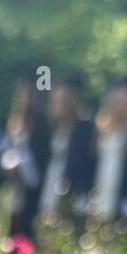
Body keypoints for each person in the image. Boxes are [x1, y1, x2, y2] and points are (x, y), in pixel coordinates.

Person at [83, 76, 127, 240]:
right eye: (117, 102)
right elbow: (86, 165)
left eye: (125, 103)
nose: (120, 108)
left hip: (123, 204)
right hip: (95, 198)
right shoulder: (96, 132)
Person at [0, 77, 48, 240]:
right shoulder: (13, 122)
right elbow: (7, 148)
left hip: (32, 185)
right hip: (14, 185)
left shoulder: (42, 123)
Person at [39, 75, 93, 223]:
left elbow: (85, 164)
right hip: (51, 180)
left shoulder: (84, 129)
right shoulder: (53, 128)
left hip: (73, 191)